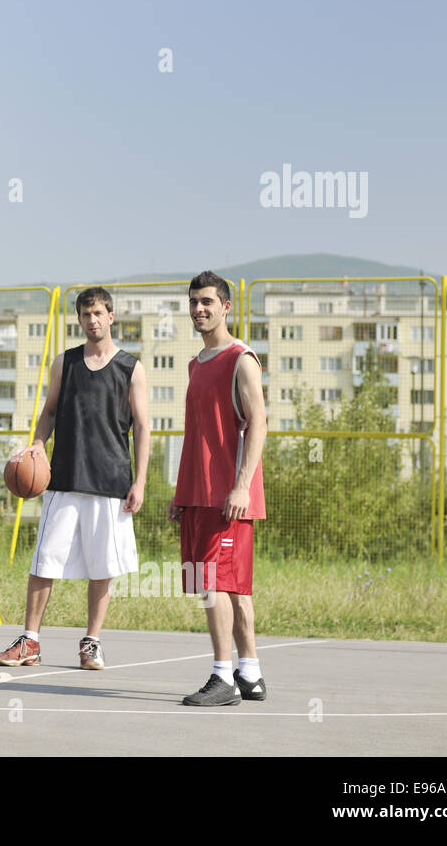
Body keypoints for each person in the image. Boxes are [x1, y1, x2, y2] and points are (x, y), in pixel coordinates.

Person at [0, 286, 150, 672]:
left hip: (111, 481)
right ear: (79, 319)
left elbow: (144, 428)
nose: (92, 320)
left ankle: (91, 643)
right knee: (45, 561)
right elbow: (48, 412)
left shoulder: (132, 368)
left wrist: (140, 481)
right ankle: (30, 640)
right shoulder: (65, 362)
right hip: (64, 479)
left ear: (111, 317)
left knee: (103, 567)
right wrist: (37, 445)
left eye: (99, 313)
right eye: (85, 314)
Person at [168, 271, 267, 707]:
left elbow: (259, 423)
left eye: (207, 301)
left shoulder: (241, 358)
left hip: (229, 494)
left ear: (226, 306)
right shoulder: (196, 363)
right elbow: (198, 434)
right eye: (193, 302)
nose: (199, 309)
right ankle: (251, 673)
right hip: (199, 491)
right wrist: (180, 492)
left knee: (213, 582)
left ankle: (222, 677)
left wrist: (241, 486)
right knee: (231, 585)